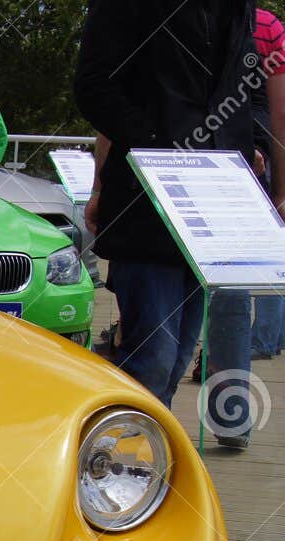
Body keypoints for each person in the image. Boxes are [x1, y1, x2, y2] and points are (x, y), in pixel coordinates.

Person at [75, 0, 256, 442]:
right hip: (146, 196)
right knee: (152, 355)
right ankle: (118, 464)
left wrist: (247, 163)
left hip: (215, 200)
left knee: (175, 360)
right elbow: (94, 84)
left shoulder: (239, 8)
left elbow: (240, 86)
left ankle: (142, 461)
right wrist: (157, 148)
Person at [252, 6, 285, 362]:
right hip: (272, 141)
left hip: (247, 141)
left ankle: (262, 339)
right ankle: (271, 336)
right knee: (275, 246)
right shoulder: (271, 25)